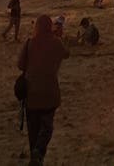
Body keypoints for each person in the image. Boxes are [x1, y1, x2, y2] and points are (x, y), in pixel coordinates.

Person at [17, 14, 70, 166]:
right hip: (50, 93)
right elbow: (66, 54)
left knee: (33, 130)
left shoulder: (30, 43)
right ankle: (39, 152)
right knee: (47, 127)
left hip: (31, 93)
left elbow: (20, 65)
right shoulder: (56, 42)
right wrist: (59, 37)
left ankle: (35, 154)